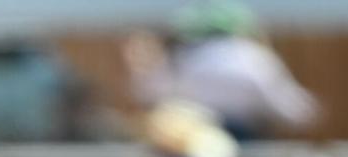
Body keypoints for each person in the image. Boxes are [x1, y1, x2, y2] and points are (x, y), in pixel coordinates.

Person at [123, 1, 318, 144]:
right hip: (242, 150)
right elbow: (295, 110)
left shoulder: (182, 57)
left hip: (194, 152)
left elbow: (148, 93)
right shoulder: (253, 58)